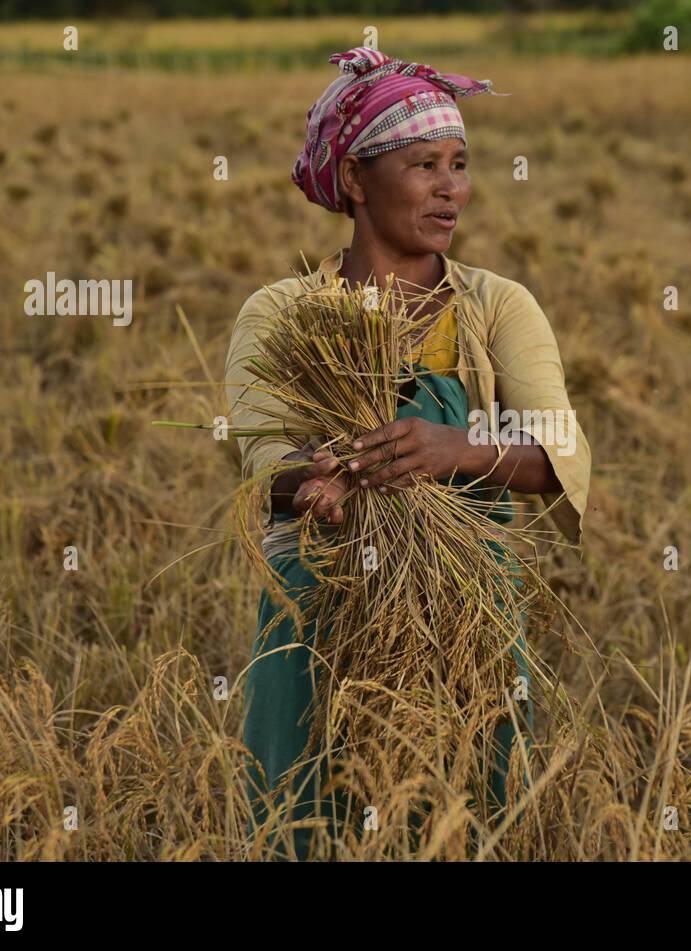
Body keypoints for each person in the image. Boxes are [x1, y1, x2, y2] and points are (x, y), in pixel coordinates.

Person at [226, 47, 591, 857]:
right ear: (355, 178)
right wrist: (312, 481)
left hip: (468, 617)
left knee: (466, 814)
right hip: (317, 611)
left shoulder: (496, 308)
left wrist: (454, 447)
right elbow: (262, 466)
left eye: (460, 165)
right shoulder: (283, 315)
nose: (451, 187)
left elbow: (558, 454)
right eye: (423, 164)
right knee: (308, 815)